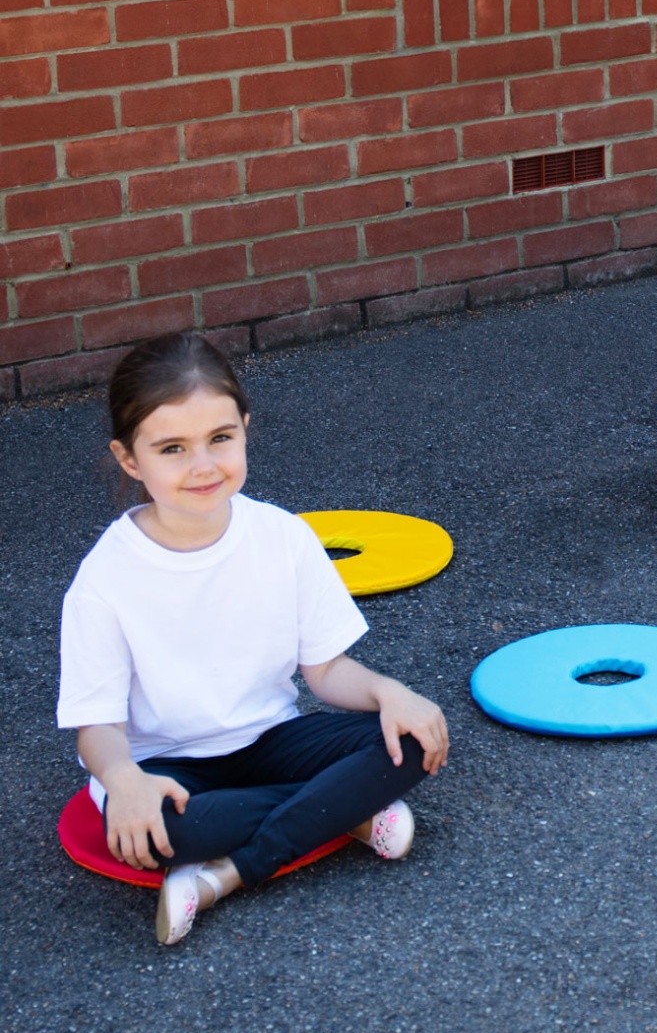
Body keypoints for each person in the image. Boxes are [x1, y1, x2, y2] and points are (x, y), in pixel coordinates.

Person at [58, 333, 449, 946]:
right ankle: (340, 810)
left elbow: (326, 672)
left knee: (410, 738)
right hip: (168, 770)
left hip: (271, 740)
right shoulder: (105, 578)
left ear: (244, 427)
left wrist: (388, 691)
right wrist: (125, 782)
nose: (203, 466)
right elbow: (96, 728)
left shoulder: (282, 537)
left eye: (220, 438)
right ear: (130, 459)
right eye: (172, 449)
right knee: (164, 832)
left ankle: (228, 875)